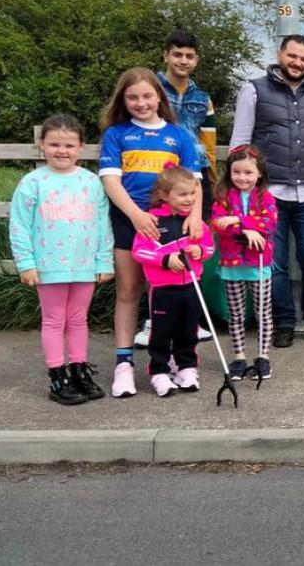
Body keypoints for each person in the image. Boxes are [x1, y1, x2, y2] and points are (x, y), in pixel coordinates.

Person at [231, 34, 304, 347]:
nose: (298, 63)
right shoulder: (253, 90)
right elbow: (240, 142)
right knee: (274, 265)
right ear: (280, 54)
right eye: (293, 56)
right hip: (270, 195)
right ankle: (283, 324)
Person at [99, 68, 203, 398]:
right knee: (129, 290)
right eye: (132, 97)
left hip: (171, 224)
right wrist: (137, 215)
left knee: (167, 294)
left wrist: (196, 216)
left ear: (159, 95)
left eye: (147, 96)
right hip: (130, 221)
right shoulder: (116, 134)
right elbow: (111, 180)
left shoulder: (179, 135)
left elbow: (195, 182)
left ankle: (171, 360)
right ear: (123, 100)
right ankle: (124, 364)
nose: (140, 103)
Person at [9, 114, 113, 405]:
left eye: (69, 145)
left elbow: (103, 224)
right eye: (54, 144)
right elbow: (19, 225)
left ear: (81, 147)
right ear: (41, 145)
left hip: (84, 265)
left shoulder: (91, 182)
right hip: (48, 266)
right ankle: (58, 375)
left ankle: (79, 369)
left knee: (78, 320)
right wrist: (26, 263)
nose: (61, 151)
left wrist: (104, 261)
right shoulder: (33, 182)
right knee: (54, 321)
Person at [133, 29, 218, 348]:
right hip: (160, 177)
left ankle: (191, 318)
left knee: (193, 240)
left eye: (189, 55)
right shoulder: (150, 90)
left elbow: (208, 138)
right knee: (158, 243)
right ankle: (153, 318)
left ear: (196, 60)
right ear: (166, 55)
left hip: (194, 177)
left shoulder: (202, 97)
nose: (183, 60)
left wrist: (210, 179)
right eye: (177, 54)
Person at [131, 165, 215, 397]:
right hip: (163, 290)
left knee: (189, 330)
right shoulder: (153, 221)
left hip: (191, 286)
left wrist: (200, 251)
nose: (189, 199)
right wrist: (164, 259)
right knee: (161, 332)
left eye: (192, 194)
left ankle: (186, 367)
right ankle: (159, 370)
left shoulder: (196, 222)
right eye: (182, 194)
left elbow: (209, 246)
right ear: (165, 195)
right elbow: (140, 252)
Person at [211, 145, 278, 380]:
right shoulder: (223, 197)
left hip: (259, 264)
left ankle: (263, 356)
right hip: (232, 265)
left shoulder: (266, 197)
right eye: (236, 172)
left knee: (263, 313)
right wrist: (247, 229)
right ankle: (239, 355)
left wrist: (237, 220)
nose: (242, 177)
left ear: (259, 173)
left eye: (248, 173)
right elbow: (218, 224)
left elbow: (268, 224)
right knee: (236, 313)